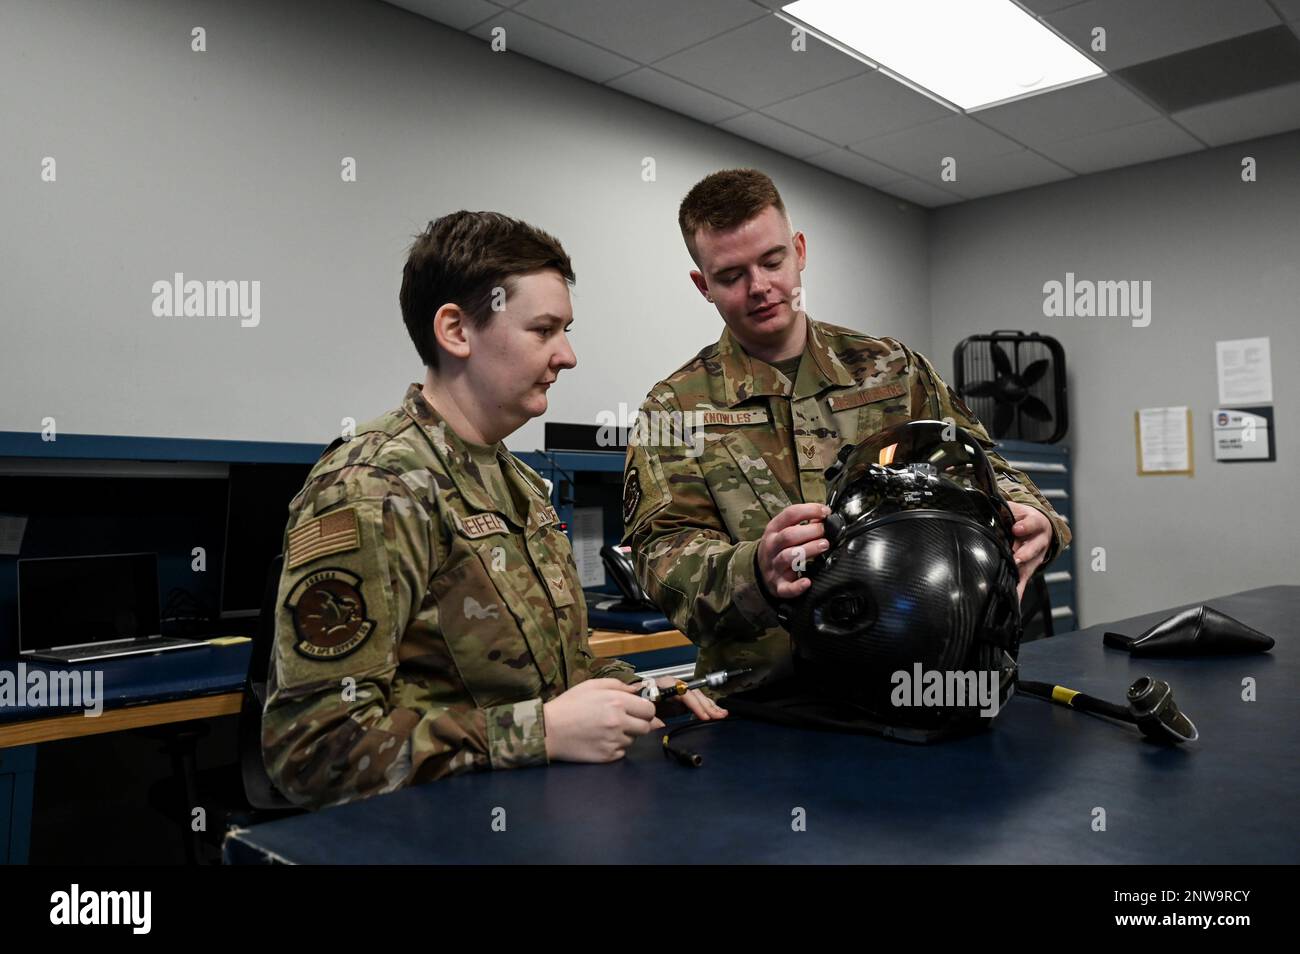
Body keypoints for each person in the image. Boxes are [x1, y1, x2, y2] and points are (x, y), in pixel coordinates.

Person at [263, 210, 724, 809]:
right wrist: (541, 733)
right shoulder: (375, 487)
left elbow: (554, 676)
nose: (568, 356)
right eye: (544, 330)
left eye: (567, 330)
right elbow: (311, 750)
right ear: (456, 331)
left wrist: (636, 693)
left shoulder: (519, 484)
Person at [622, 168, 1072, 693]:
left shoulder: (892, 370)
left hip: (921, 680)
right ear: (703, 285)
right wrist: (755, 572)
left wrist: (1037, 517)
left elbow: (986, 469)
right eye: (731, 276)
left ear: (800, 250)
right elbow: (660, 557)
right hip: (766, 703)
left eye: (772, 261)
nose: (761, 287)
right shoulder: (676, 407)